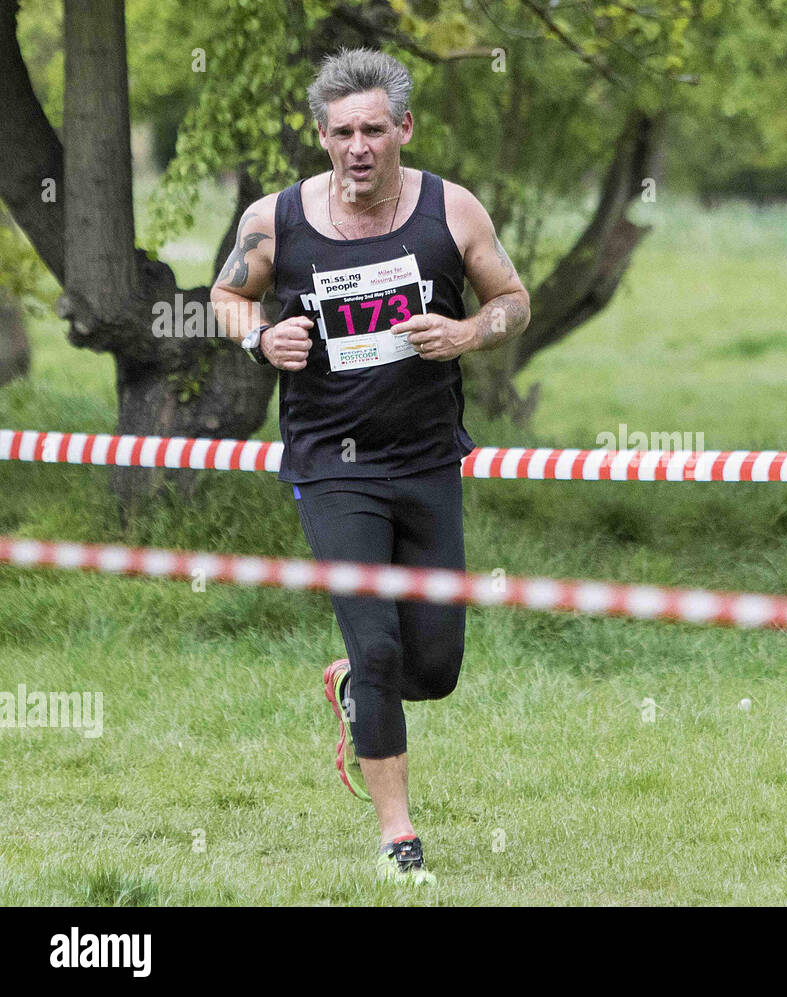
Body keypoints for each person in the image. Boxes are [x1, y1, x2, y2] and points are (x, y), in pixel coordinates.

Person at [210, 47, 530, 882]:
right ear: (322, 135)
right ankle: (399, 839)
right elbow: (225, 296)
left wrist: (467, 334)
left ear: (403, 130)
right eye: (342, 131)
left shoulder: (450, 210)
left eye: (374, 131)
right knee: (383, 646)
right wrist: (257, 335)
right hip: (331, 464)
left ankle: (358, 684)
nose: (359, 147)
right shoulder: (276, 218)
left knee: (435, 666)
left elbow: (513, 300)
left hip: (426, 459)